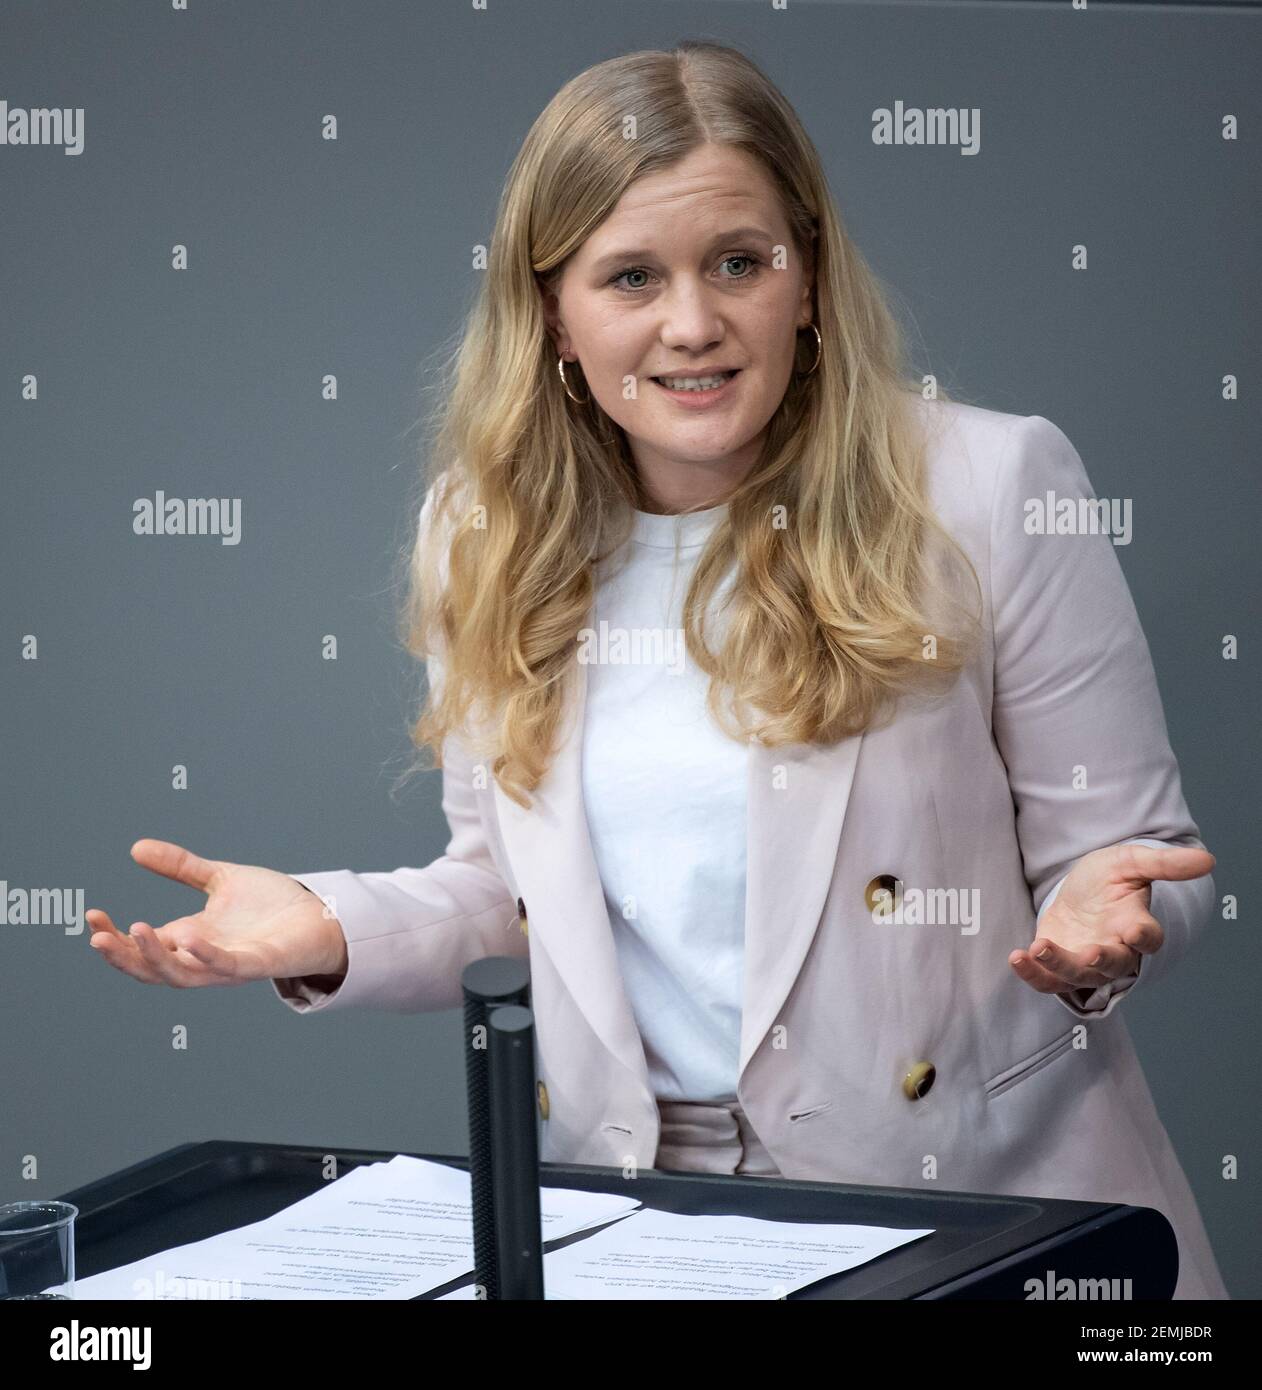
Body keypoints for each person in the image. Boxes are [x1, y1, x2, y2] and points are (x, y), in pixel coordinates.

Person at [86, 41, 1227, 1299]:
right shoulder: (484, 530)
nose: (694, 323)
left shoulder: (987, 486)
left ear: (807, 275)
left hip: (988, 1225)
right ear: (555, 315)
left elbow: (1137, 863)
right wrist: (327, 925)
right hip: (641, 1229)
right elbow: (511, 895)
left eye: (739, 261)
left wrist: (1104, 931)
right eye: (630, 275)